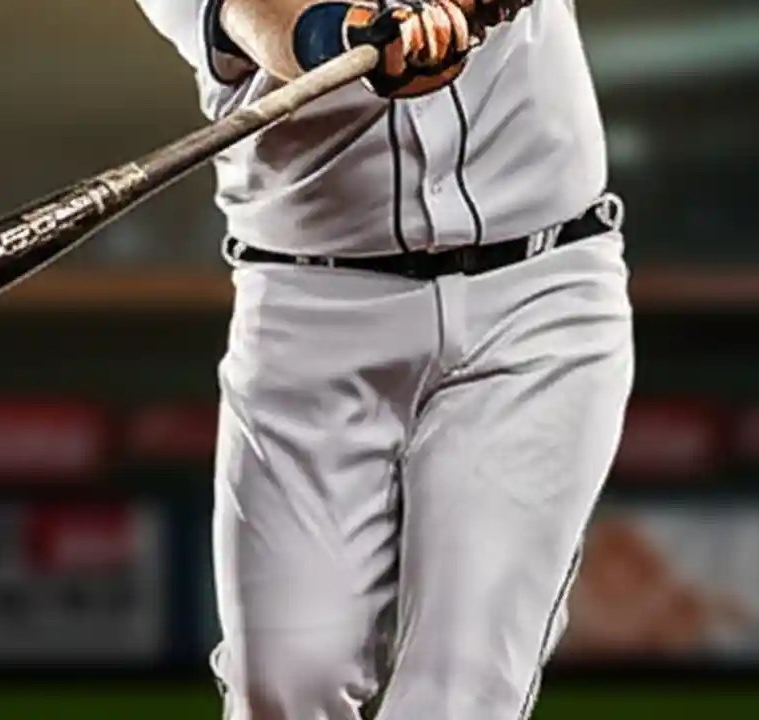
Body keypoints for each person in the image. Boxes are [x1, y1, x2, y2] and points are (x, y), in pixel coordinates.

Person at [136, 1, 634, 717]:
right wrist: (346, 33)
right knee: (286, 688)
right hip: (312, 312)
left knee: (459, 693)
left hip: (536, 297)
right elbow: (258, 18)